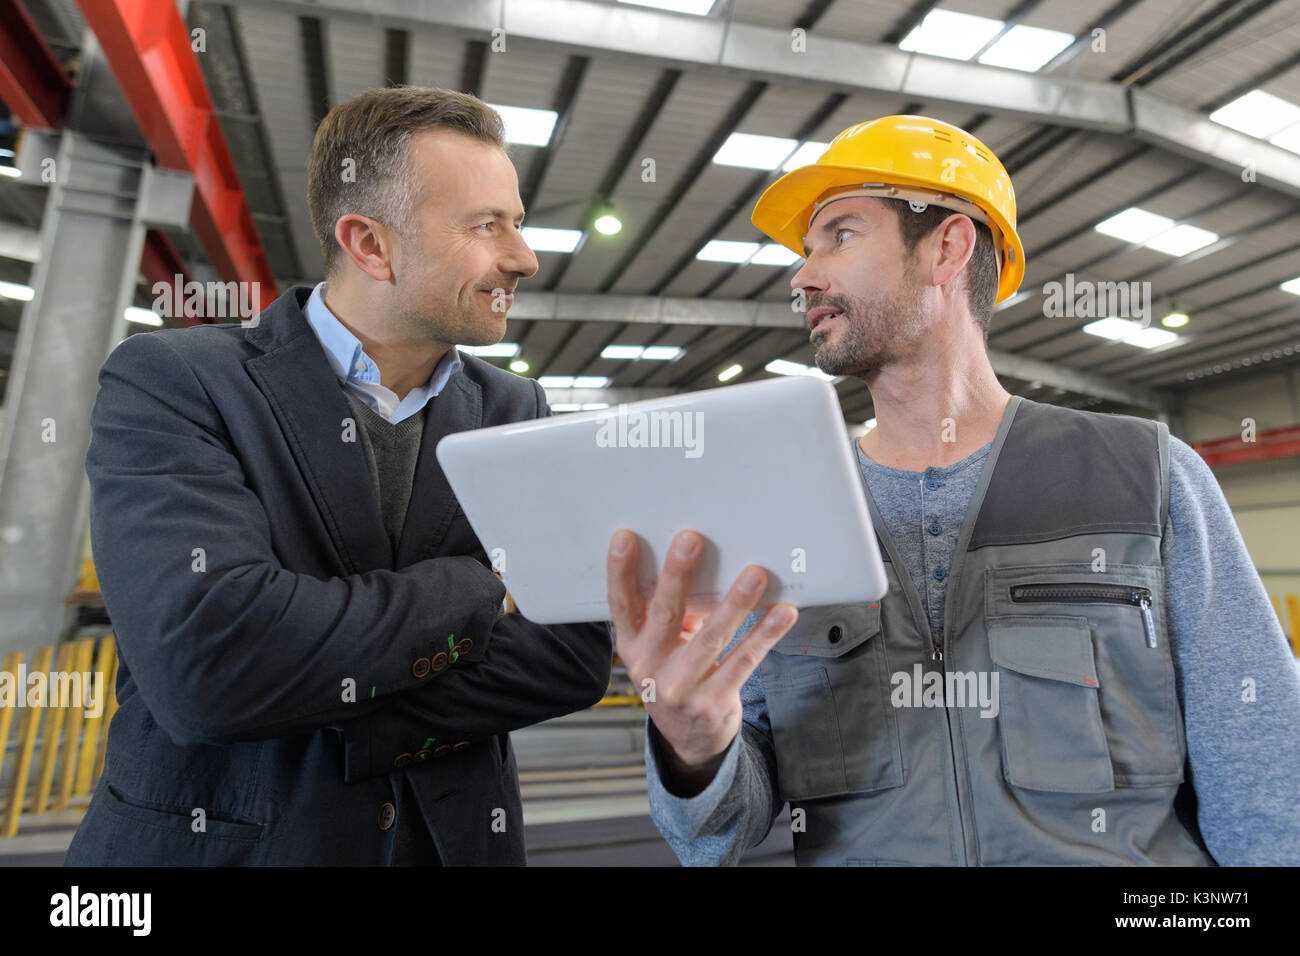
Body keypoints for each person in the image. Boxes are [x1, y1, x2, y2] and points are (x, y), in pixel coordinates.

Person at [607, 115, 1300, 865]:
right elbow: (717, 835)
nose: (802, 276)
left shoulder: (1146, 477)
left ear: (948, 247)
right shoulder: (781, 508)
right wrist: (693, 749)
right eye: (807, 250)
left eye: (839, 234)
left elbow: (1266, 786)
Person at [66, 86, 612, 866]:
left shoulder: (513, 404)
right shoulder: (176, 380)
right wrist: (489, 589)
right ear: (370, 244)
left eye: (517, 223)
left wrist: (317, 688)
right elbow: (210, 663)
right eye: (487, 226)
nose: (522, 258)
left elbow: (570, 657)